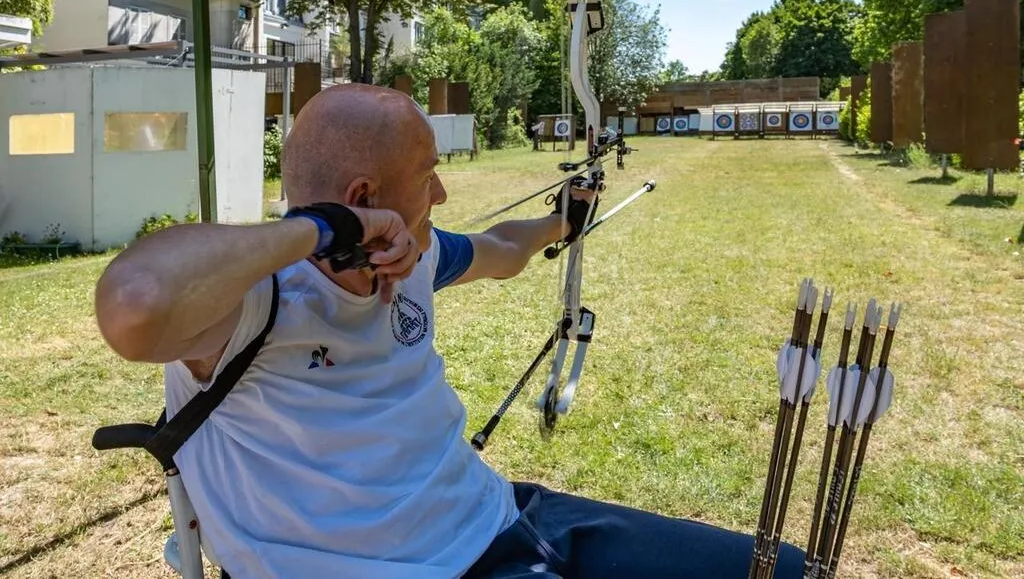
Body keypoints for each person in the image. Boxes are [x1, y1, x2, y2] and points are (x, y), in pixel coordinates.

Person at [94, 84, 804, 578]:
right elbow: (134, 302)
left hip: (504, 518)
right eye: (428, 174)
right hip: (410, 569)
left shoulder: (416, 257)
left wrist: (563, 220)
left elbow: (501, 248)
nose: (440, 192)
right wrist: (320, 230)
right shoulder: (250, 300)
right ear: (362, 200)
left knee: (786, 571)